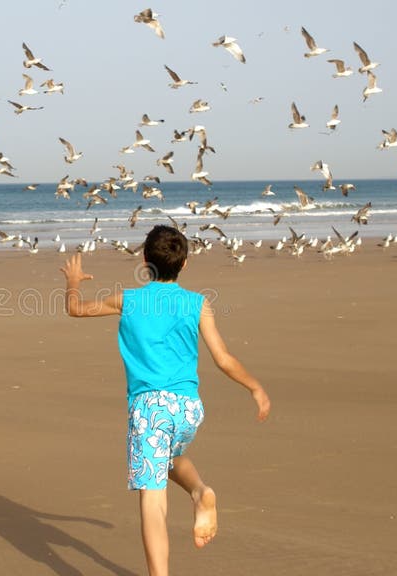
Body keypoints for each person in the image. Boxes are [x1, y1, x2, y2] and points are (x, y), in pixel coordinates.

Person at [60, 225, 270, 576]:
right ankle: (200, 492)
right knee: (168, 458)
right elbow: (223, 358)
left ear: (145, 261)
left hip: (149, 409)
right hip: (188, 408)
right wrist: (255, 388)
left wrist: (73, 281)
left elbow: (75, 309)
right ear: (184, 263)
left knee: (153, 500)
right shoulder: (198, 304)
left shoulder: (127, 300)